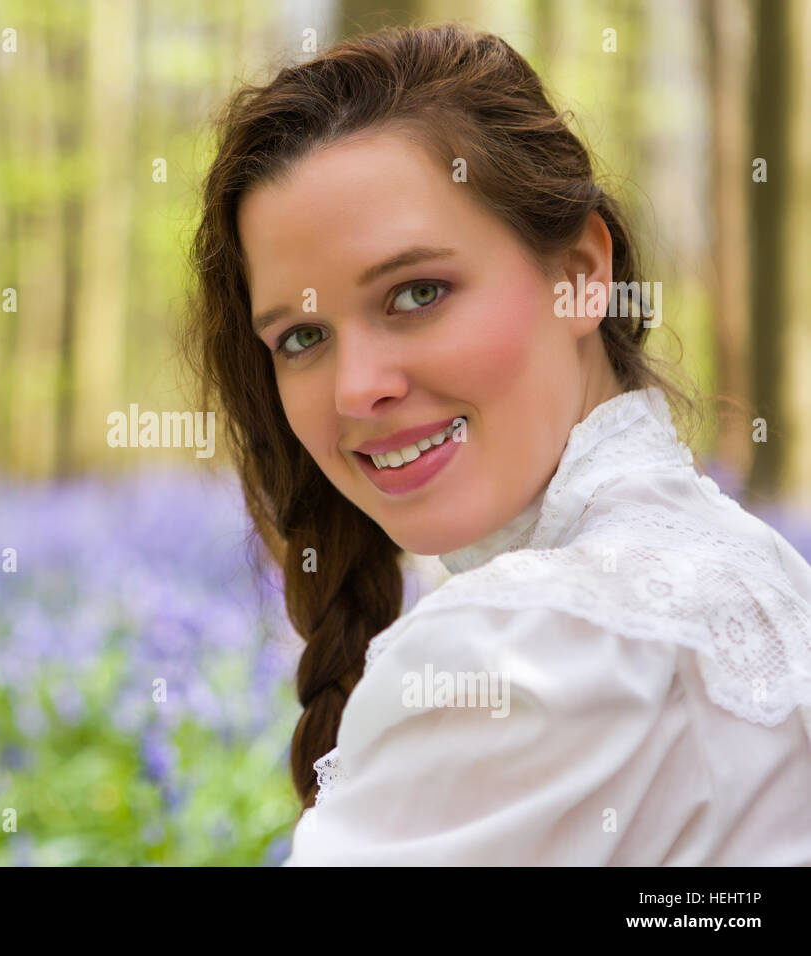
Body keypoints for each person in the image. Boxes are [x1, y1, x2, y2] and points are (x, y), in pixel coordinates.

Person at [181, 22, 811, 864]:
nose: (355, 387)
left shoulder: (525, 651)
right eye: (300, 337)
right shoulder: (759, 577)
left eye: (417, 292)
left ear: (582, 275)